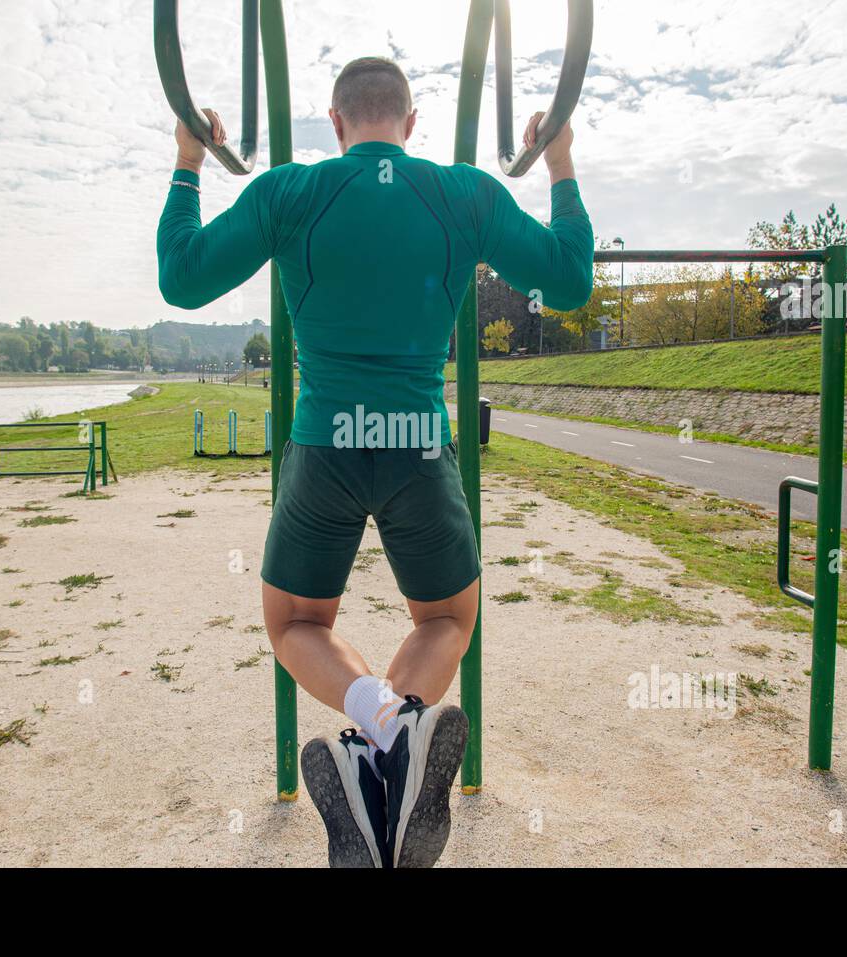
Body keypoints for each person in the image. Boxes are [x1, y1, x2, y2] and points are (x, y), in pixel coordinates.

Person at [158, 56, 593, 867]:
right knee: (448, 619)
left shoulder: (289, 192)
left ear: (335, 122)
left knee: (294, 623)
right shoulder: (462, 193)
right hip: (417, 447)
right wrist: (560, 159)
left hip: (324, 444)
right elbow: (569, 281)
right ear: (411, 121)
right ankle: (392, 740)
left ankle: (377, 729)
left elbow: (182, 281)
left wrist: (188, 160)